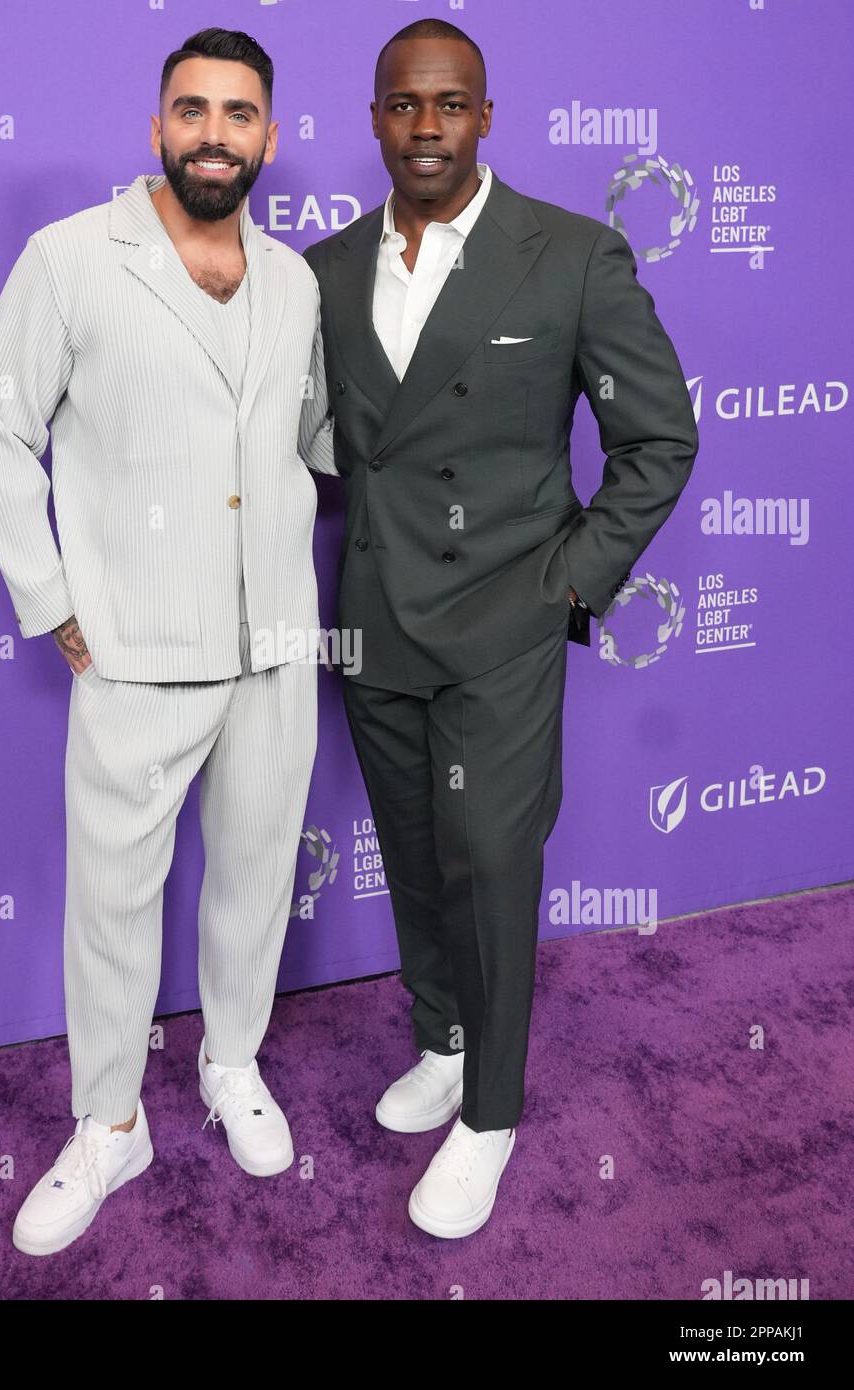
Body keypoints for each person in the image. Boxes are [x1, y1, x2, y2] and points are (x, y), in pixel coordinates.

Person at [302, 18, 698, 1238]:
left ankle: (488, 1110)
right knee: (414, 846)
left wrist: (562, 584)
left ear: (484, 116)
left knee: (489, 856)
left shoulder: (573, 256)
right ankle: (439, 1038)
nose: (426, 126)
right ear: (373, 119)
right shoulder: (319, 269)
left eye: (450, 103)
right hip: (373, 617)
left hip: (503, 621)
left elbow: (657, 441)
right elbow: (322, 456)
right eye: (403, 105)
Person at [0, 27, 337, 1257]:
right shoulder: (71, 260)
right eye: (191, 110)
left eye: (238, 115)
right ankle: (109, 1122)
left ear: (269, 139)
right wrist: (53, 600)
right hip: (130, 654)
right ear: (157, 127)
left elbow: (315, 438)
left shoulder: (293, 283)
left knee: (253, 878)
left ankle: (231, 1064)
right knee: (112, 908)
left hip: (275, 645)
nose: (214, 134)